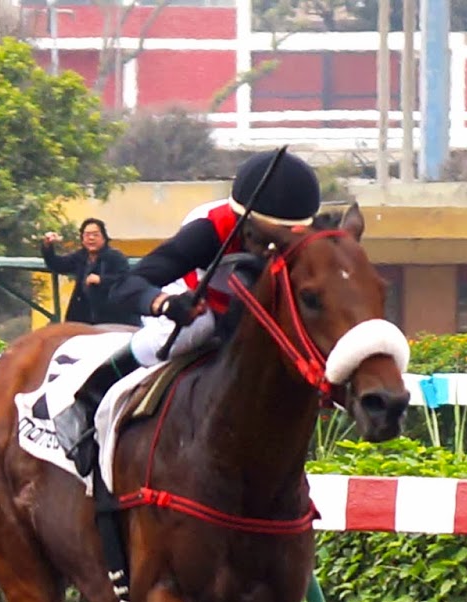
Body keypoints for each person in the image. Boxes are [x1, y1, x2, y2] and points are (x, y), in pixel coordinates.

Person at [50, 148, 323, 476]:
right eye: (267, 237)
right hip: (194, 295)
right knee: (197, 329)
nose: (273, 248)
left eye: (287, 238)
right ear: (244, 222)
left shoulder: (304, 238)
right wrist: (165, 304)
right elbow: (129, 284)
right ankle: (88, 398)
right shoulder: (207, 230)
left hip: (251, 307)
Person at [39, 218, 130, 325]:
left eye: (95, 235)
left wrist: (101, 280)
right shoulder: (80, 256)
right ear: (82, 238)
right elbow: (57, 264)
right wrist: (48, 246)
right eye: (87, 235)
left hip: (111, 318)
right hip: (82, 316)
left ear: (104, 238)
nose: (91, 238)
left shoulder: (115, 257)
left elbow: (125, 279)